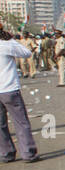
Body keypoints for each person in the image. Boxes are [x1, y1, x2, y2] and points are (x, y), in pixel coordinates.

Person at [0, 27, 40, 162]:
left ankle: (6, 153)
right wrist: (11, 39)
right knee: (21, 122)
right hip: (9, 89)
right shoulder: (6, 45)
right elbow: (27, 53)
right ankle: (28, 153)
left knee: (0, 125)